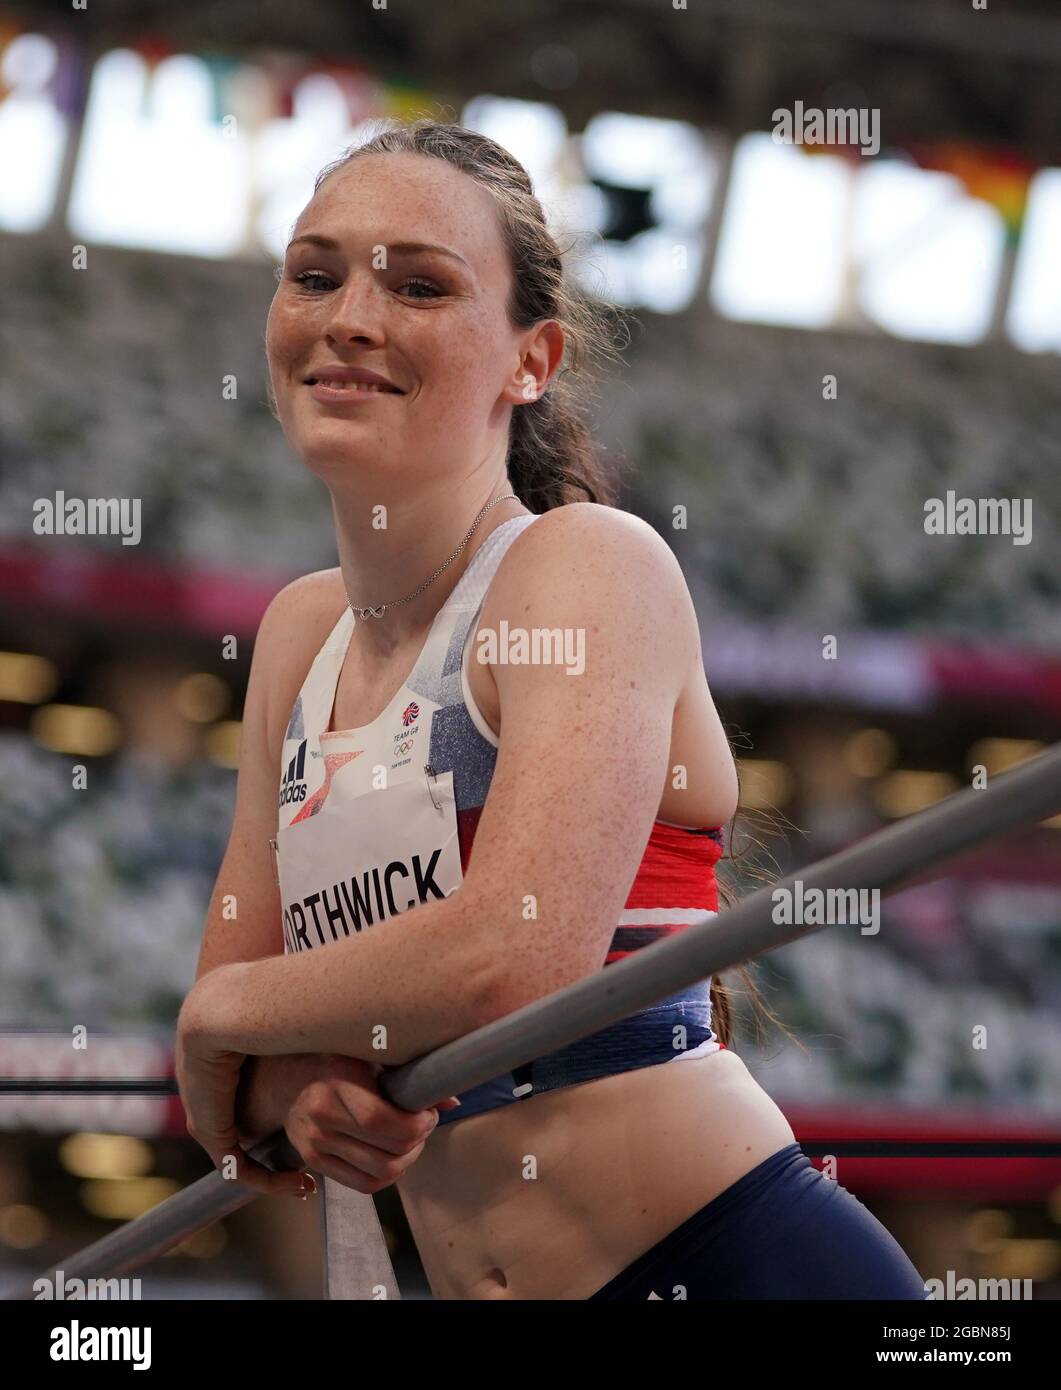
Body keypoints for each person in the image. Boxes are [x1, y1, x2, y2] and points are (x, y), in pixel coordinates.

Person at [176, 119, 927, 1300]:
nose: (349, 315)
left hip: (732, 1265)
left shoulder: (587, 564)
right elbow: (243, 1061)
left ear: (531, 360)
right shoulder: (295, 636)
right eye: (314, 275)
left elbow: (515, 955)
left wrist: (224, 1016)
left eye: (418, 284)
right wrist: (296, 1095)